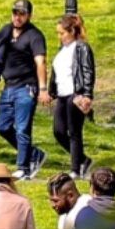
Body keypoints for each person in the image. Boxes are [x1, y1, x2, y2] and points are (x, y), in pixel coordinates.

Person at [0, 0, 51, 181]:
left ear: (29, 15)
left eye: (22, 14)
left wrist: (43, 89)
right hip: (8, 87)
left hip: (26, 87)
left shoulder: (34, 36)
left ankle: (23, 168)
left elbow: (41, 63)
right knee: (3, 127)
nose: (17, 17)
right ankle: (34, 155)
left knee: (22, 128)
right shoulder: (5, 32)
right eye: (15, 13)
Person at [49, 13, 95, 174]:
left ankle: (75, 169)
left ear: (72, 32)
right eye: (58, 33)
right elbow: (56, 74)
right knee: (59, 131)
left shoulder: (81, 47)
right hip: (62, 94)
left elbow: (88, 71)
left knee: (74, 131)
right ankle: (82, 158)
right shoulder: (62, 50)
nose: (59, 37)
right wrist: (51, 92)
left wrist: (87, 94)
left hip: (75, 95)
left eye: (62, 33)